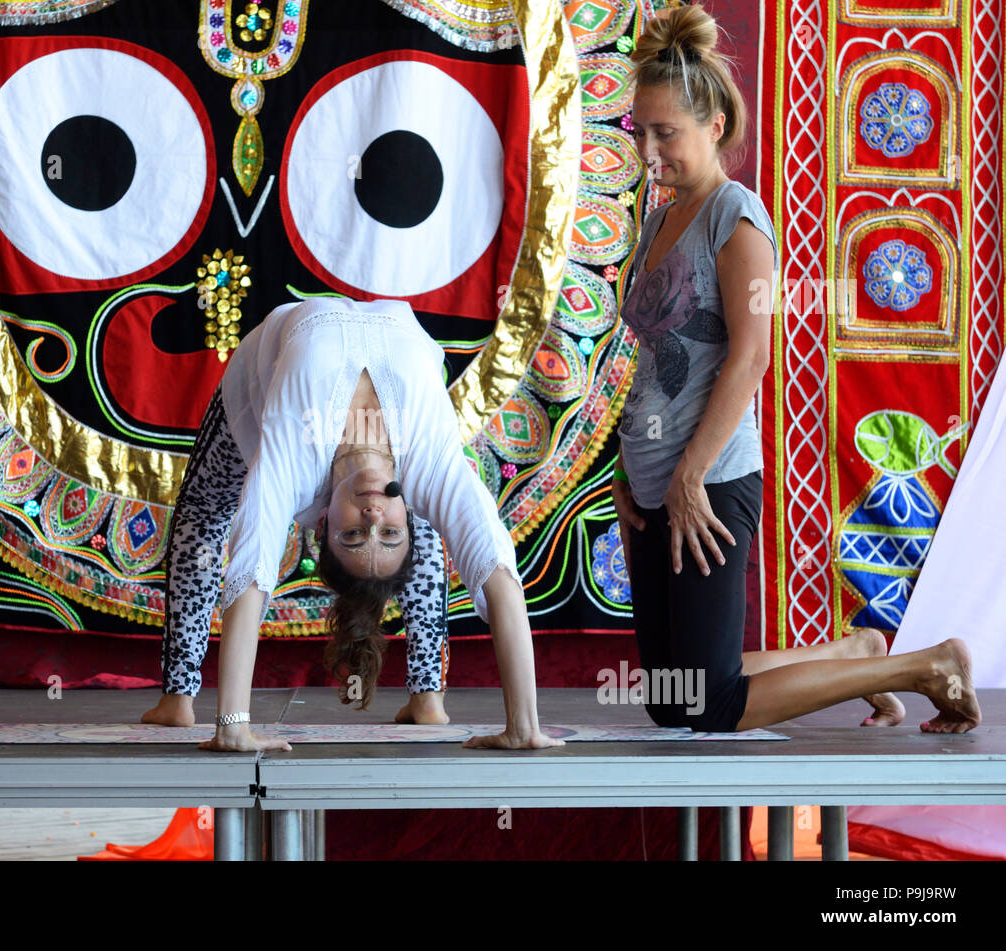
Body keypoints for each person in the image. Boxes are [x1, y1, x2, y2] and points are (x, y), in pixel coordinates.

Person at [611, 3, 979, 734]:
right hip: (652, 482)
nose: (650, 152)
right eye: (641, 132)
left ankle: (920, 663)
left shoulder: (734, 214)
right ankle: (853, 651)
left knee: (710, 705)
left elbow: (751, 357)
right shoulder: (660, 217)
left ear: (714, 126)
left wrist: (687, 475)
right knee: (672, 696)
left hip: (709, 480)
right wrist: (631, 474)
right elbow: (653, 356)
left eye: (668, 134)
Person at [143, 295, 563, 752]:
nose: (373, 515)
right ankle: (428, 697)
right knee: (424, 523)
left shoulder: (296, 461)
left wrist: (232, 724)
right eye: (387, 531)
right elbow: (498, 572)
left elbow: (251, 569)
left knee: (202, 516)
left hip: (253, 385)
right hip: (389, 355)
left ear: (320, 524)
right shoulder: (427, 466)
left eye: (353, 534)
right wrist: (523, 726)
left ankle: (176, 698)